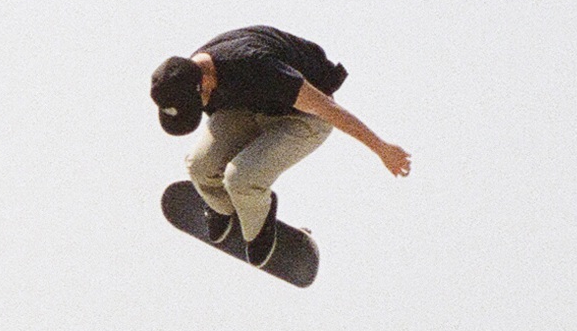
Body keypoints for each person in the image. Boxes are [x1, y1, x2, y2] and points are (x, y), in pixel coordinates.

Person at [148, 27, 412, 270]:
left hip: (305, 116)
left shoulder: (257, 66)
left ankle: (258, 221)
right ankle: (225, 208)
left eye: (199, 103)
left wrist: (381, 148)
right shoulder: (188, 76)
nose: (201, 107)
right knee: (199, 166)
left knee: (240, 179)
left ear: (204, 82)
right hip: (251, 106)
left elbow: (327, 109)